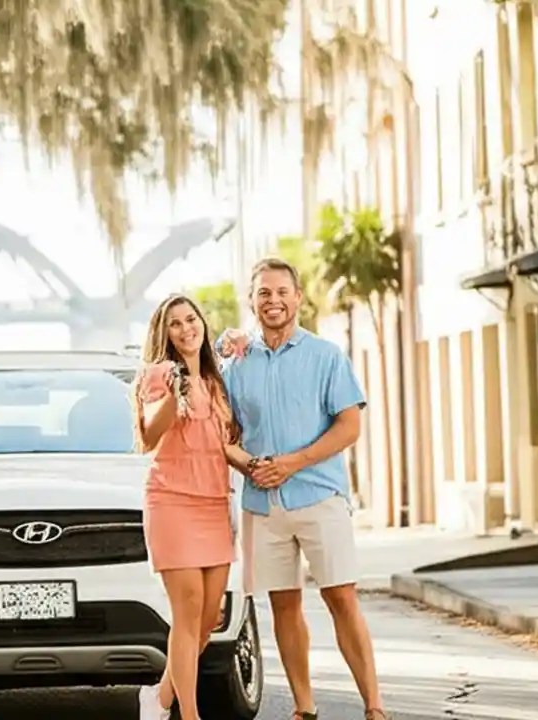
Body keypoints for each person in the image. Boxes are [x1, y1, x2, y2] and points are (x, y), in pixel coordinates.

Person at [216, 257, 387, 720]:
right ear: (252, 301)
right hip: (261, 503)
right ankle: (304, 707)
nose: (273, 301)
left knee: (341, 598)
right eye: (263, 293)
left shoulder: (326, 356)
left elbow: (349, 426)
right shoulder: (235, 364)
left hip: (320, 496)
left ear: (298, 298)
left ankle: (373, 707)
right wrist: (254, 467)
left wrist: (292, 463)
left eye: (281, 292)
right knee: (284, 606)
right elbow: (221, 430)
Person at [133, 294, 252, 720]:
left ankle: (158, 698)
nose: (185, 329)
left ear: (202, 323)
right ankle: (189, 715)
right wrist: (174, 393)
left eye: (191, 320)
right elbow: (149, 436)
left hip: (214, 506)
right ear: (164, 333)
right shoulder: (159, 373)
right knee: (186, 614)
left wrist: (259, 467)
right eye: (175, 324)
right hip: (172, 504)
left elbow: (226, 446)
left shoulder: (217, 381)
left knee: (206, 621)